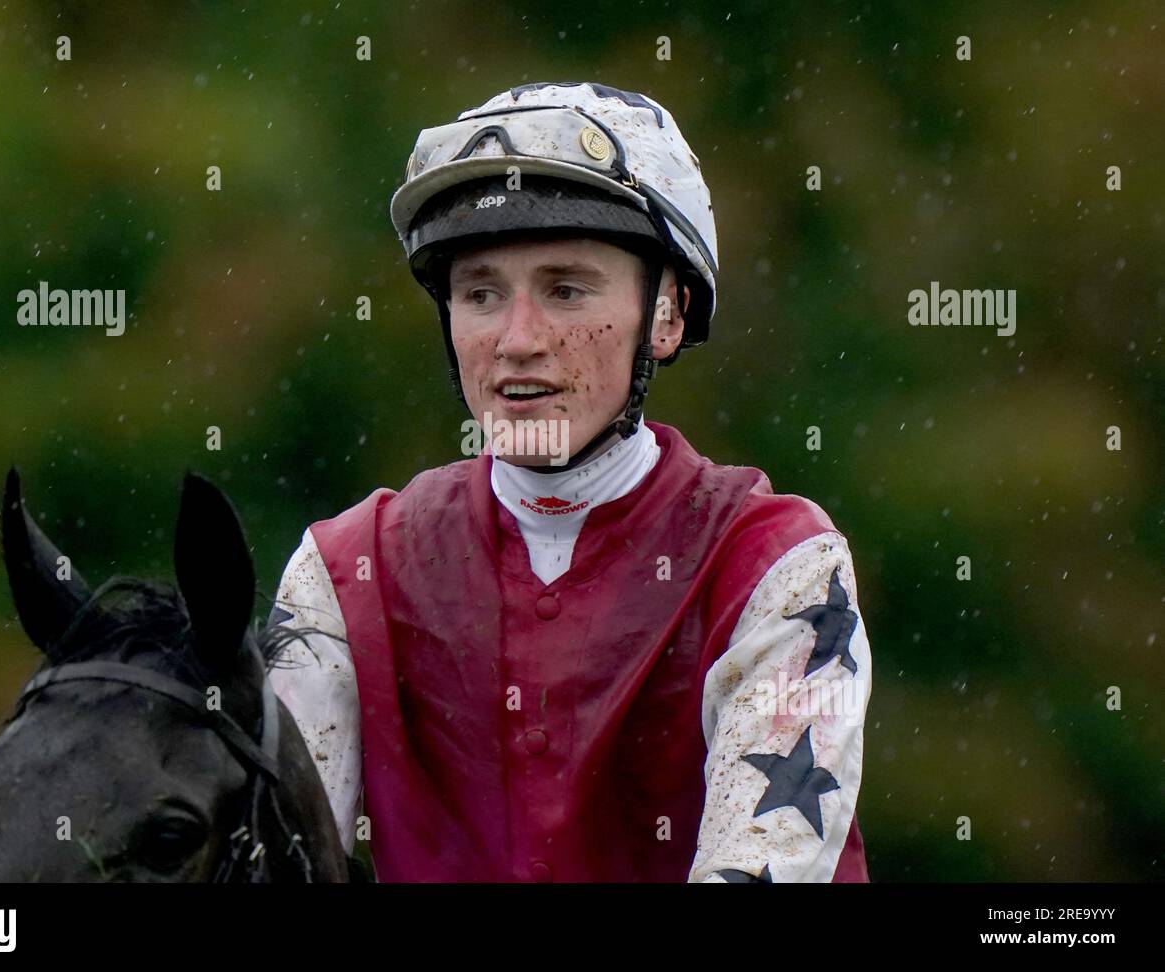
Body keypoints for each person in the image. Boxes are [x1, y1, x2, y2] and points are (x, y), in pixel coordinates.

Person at [268, 81, 872, 882]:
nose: (517, 340)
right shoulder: (342, 573)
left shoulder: (779, 566)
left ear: (668, 314)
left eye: (566, 290)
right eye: (481, 293)